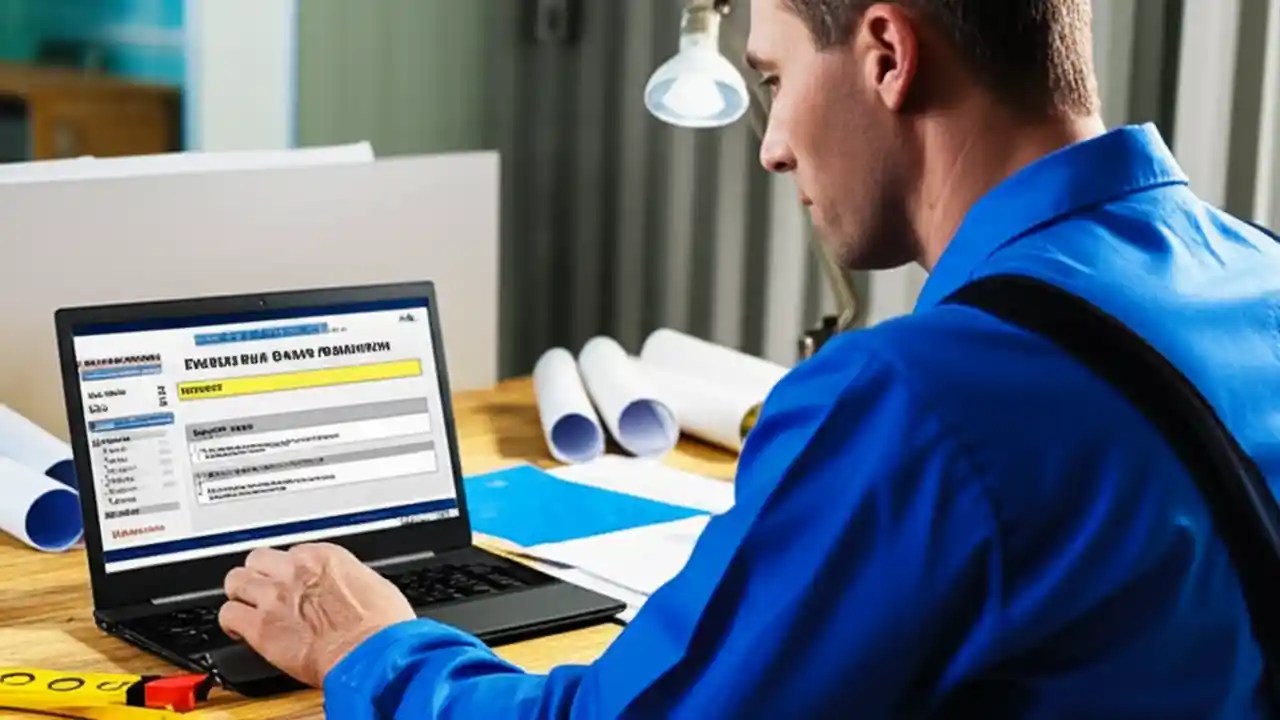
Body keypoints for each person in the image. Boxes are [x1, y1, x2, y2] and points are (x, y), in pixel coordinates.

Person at [218, 0, 1280, 717]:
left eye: (771, 78)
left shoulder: (916, 402)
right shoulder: (1257, 276)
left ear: (886, 55)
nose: (770, 144)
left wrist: (371, 650)